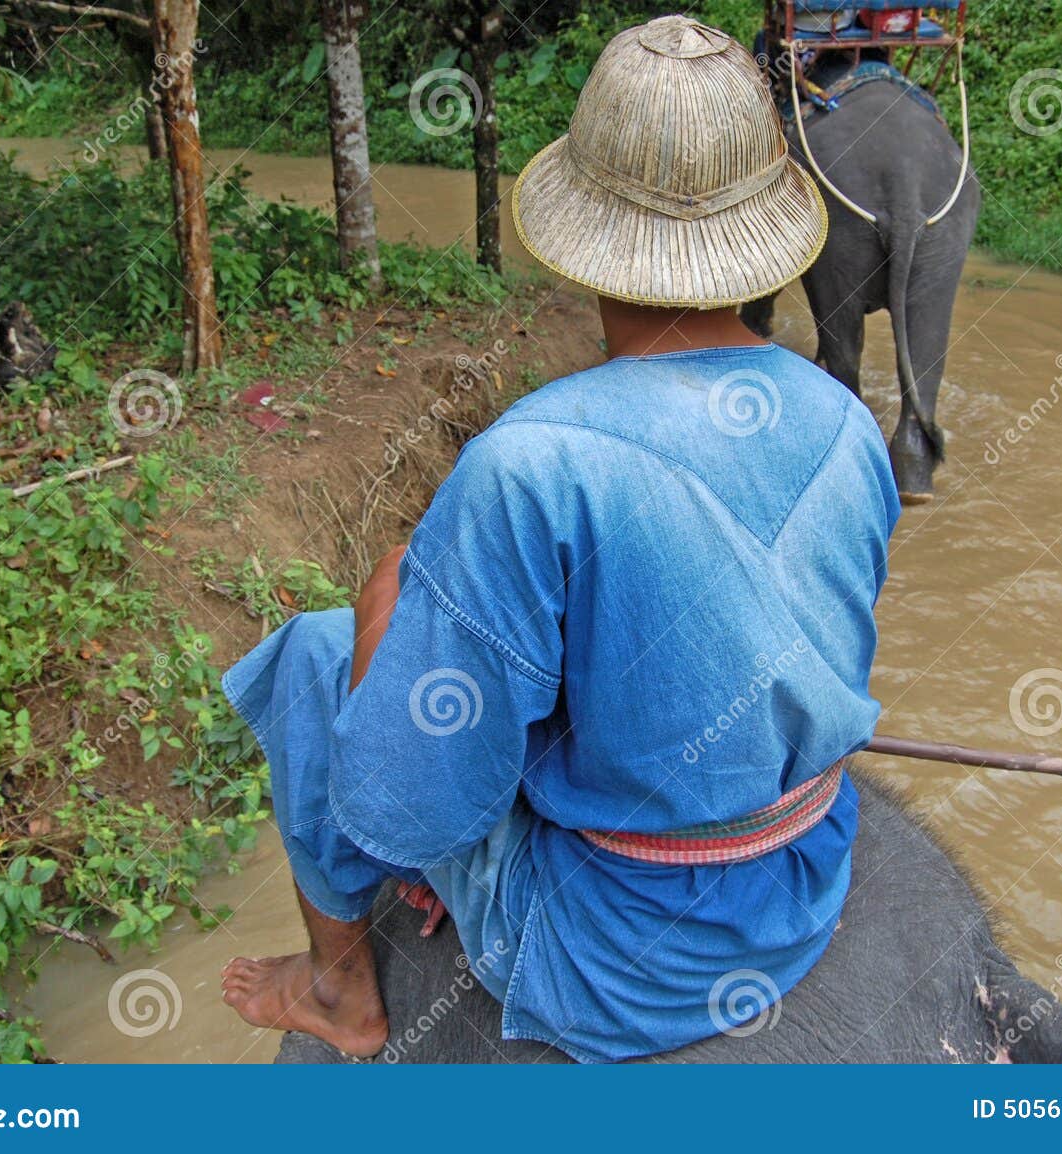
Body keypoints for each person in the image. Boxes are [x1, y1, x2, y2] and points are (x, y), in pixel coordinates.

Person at [218, 14, 900, 1063]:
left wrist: (378, 616)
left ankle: (337, 986)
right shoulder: (846, 422)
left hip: (620, 956)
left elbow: (412, 812)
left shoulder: (529, 459)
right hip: (800, 883)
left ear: (586, 244)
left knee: (321, 646)